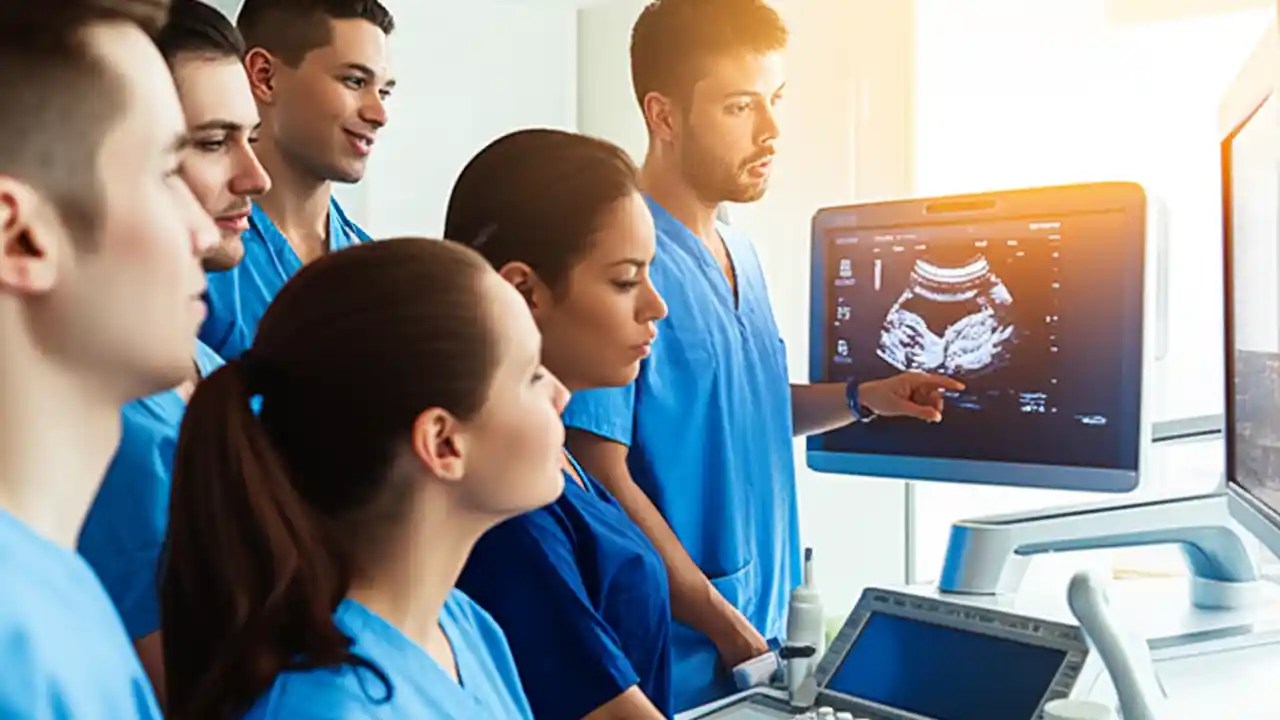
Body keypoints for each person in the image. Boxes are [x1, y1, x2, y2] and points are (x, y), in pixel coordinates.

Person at [562, 0, 965, 710]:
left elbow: (742, 410)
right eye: (742, 106)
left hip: (762, 630)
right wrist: (721, 624)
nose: (772, 130)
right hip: (682, 650)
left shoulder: (739, 249)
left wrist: (862, 398)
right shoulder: (625, 260)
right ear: (664, 115)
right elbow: (599, 467)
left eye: (775, 100)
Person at [161, 239, 566, 719]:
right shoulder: (327, 708)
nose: (560, 394)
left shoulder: (463, 626)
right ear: (443, 443)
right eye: (532, 375)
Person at [0, 0, 218, 716]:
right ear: (21, 238)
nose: (202, 231)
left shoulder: (59, 592)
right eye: (163, 174)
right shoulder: (16, 644)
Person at [78, 0, 272, 703]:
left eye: (251, 138)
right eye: (212, 142)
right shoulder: (119, 438)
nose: (257, 177)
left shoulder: (213, 372)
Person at [448, 129, 674, 719]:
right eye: (626, 280)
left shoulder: (557, 462)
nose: (657, 306)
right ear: (523, 290)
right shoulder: (509, 505)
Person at [199, 0, 396, 359]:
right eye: (354, 81)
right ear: (264, 77)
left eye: (383, 92)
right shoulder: (200, 258)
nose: (379, 113)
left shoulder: (375, 271)